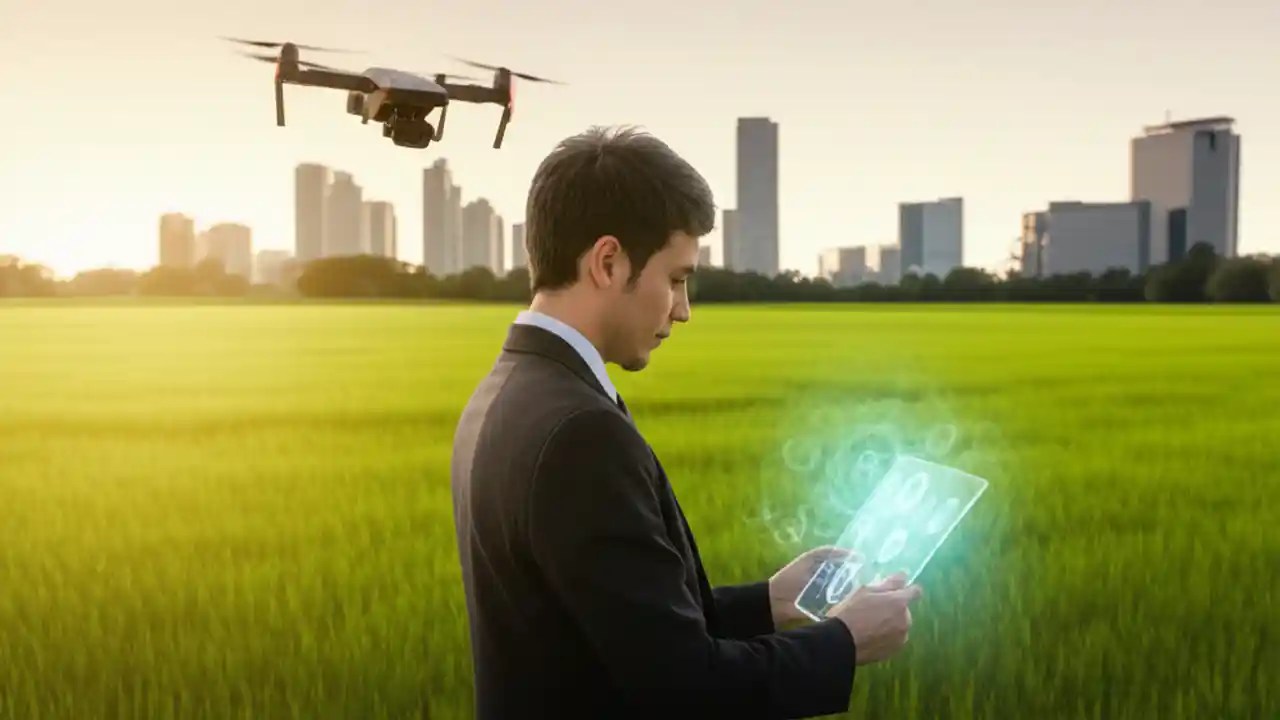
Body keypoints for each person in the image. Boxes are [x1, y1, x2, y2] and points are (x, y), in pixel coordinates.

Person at [450, 125, 924, 718]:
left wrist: (771, 601)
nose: (684, 309)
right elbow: (684, 688)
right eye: (676, 278)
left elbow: (624, 629)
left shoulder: (507, 391)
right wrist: (844, 643)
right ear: (608, 261)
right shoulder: (579, 432)